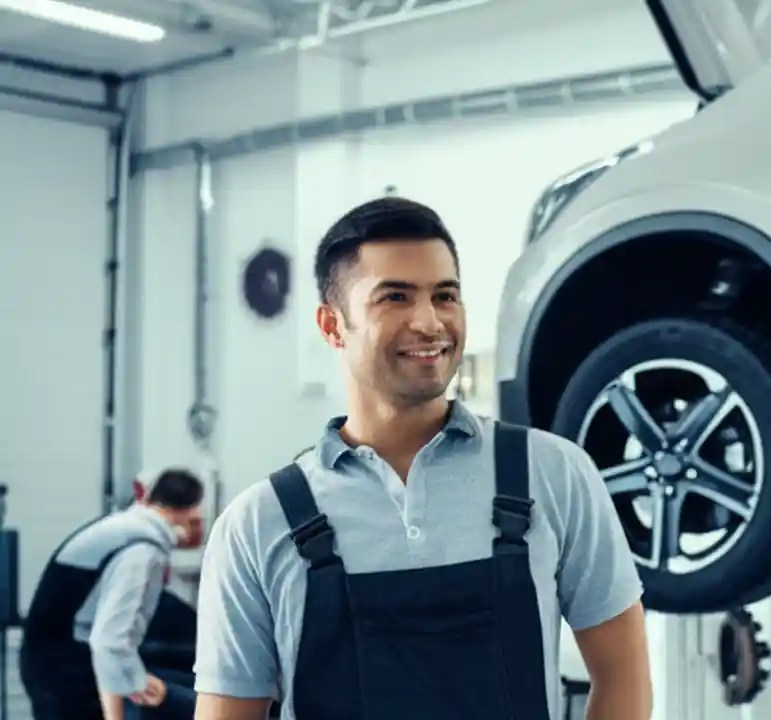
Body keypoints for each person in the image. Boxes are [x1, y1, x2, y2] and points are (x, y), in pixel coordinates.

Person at [192, 197, 653, 720]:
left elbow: (623, 672)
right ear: (331, 325)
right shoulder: (260, 523)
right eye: (395, 297)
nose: (430, 322)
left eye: (445, 296)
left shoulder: (551, 475)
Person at [20, 468, 206, 720]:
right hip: (67, 670)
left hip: (49, 661)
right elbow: (109, 642)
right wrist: (132, 686)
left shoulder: (121, 529)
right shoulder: (142, 550)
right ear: (191, 510)